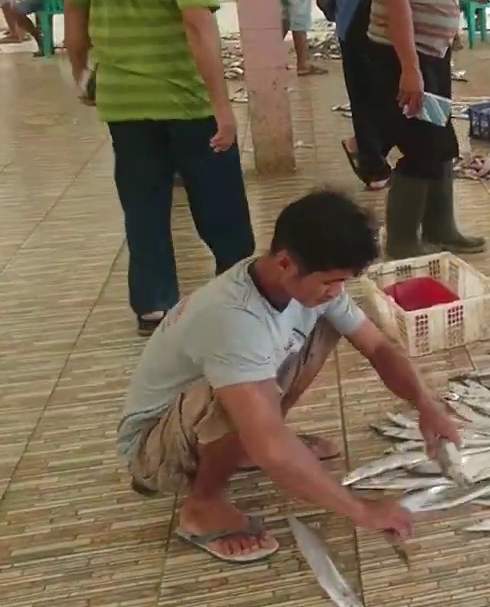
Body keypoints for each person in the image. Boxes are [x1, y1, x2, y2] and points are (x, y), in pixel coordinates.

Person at [119, 190, 463, 564]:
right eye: (330, 281)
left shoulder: (302, 281)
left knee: (328, 324)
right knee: (243, 396)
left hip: (197, 419)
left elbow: (378, 347)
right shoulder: (233, 319)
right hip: (154, 449)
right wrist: (361, 510)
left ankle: (248, 442)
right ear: (285, 262)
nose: (336, 292)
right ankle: (202, 506)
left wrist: (425, 405)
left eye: (343, 281)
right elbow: (268, 439)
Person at [51, 0, 256, 336]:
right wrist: (222, 106)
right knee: (220, 202)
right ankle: (239, 291)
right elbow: (197, 25)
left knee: (143, 203)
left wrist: (83, 74)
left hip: (124, 100)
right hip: (186, 99)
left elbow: (74, 16)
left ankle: (153, 304)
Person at [226, 0, 415, 192]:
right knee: (397, 90)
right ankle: (369, 152)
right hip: (383, 15)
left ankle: (372, 166)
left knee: (362, 94)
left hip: (346, 14)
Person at [367, 0, 490, 258]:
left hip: (429, 55)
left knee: (441, 144)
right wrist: (410, 69)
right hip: (404, 58)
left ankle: (441, 229)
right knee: (421, 146)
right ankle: (402, 243)